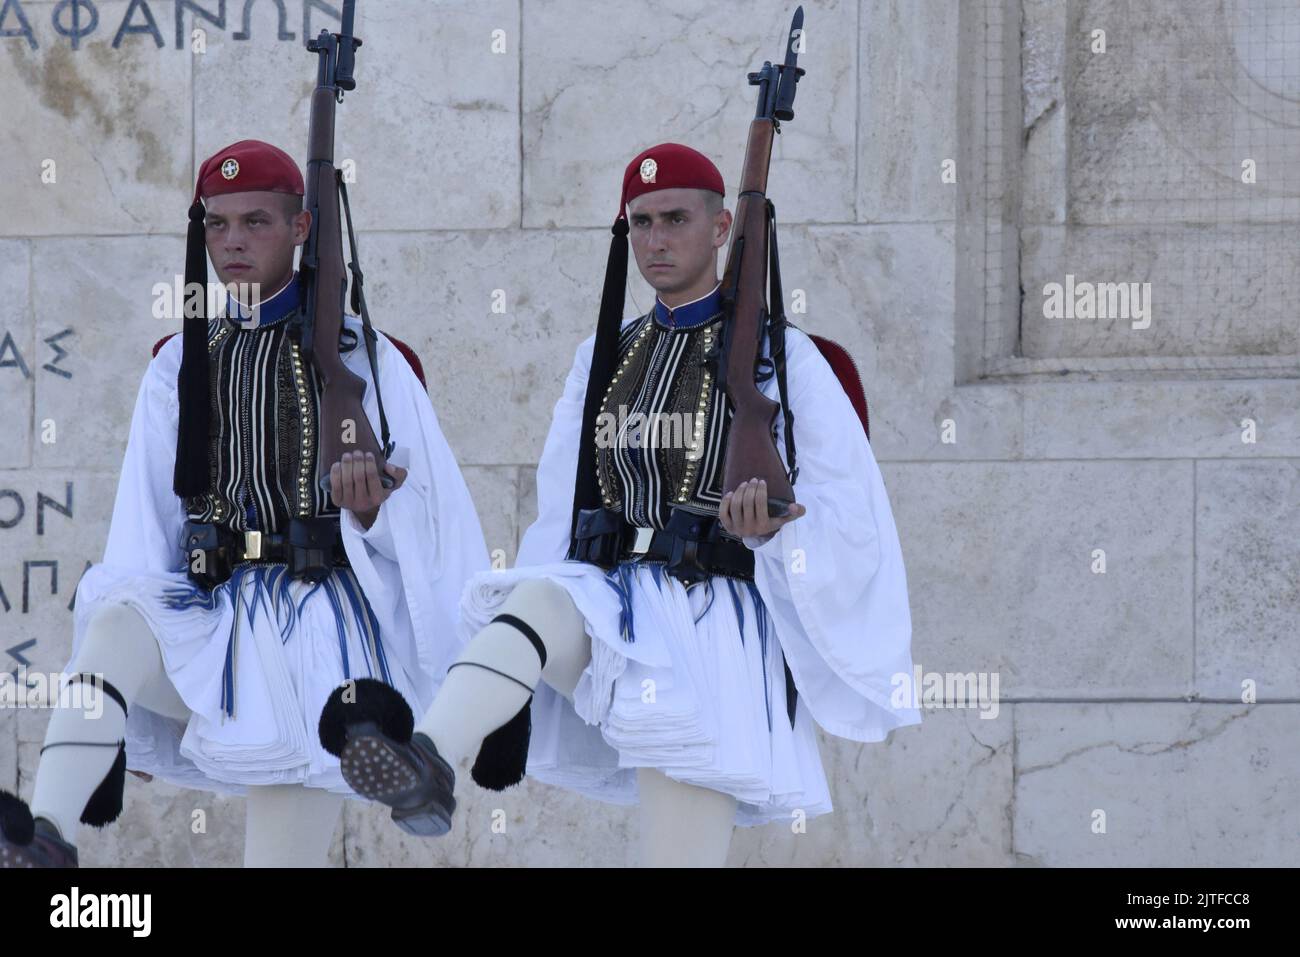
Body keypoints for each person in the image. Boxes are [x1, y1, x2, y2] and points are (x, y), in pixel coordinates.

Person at [318, 142, 919, 867]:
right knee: (538, 596)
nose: (656, 240)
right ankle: (433, 756)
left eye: (674, 219)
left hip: (710, 627)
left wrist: (772, 534)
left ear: (723, 226)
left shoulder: (784, 360)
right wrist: (515, 675)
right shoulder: (603, 356)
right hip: (611, 603)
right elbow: (562, 512)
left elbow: (849, 511)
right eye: (640, 223)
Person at [0, 140, 488, 868]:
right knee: (116, 618)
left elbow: (440, 522)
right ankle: (46, 833)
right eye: (217, 224)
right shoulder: (177, 362)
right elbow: (146, 528)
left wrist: (369, 512)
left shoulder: (372, 359)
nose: (231, 241)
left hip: (329, 631)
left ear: (301, 228)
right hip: (215, 621)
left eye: (255, 221)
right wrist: (119, 723)